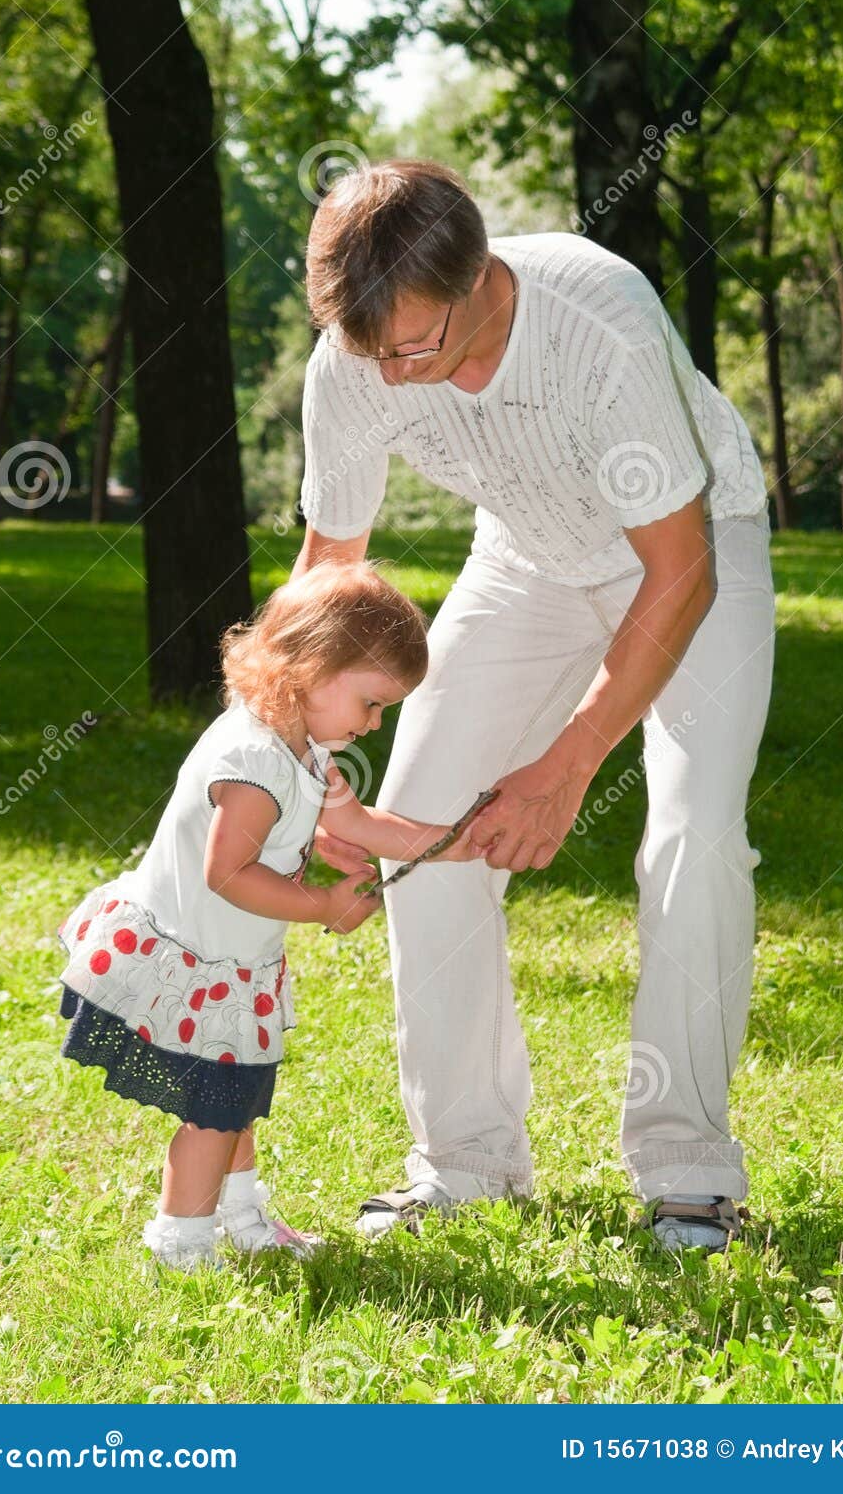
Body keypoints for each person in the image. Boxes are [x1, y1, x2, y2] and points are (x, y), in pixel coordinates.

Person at [294, 159, 777, 1254]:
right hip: (526, 557)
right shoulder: (358, 355)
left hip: (690, 548)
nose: (395, 374)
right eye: (373, 351)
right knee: (417, 818)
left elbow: (677, 573)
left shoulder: (593, 323)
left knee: (692, 836)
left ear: (477, 281)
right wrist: (285, 748)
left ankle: (688, 1170)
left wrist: (563, 769)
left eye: (415, 346)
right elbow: (329, 565)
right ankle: (464, 1163)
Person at [53, 560, 485, 1271]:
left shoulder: (306, 747)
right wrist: (320, 904)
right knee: (214, 1110)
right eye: (372, 704)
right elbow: (228, 873)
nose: (374, 725)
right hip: (190, 961)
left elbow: (361, 825)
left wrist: (456, 843)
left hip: (229, 963)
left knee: (235, 1096)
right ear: (313, 667)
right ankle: (181, 1244)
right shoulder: (252, 760)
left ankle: (239, 1214)